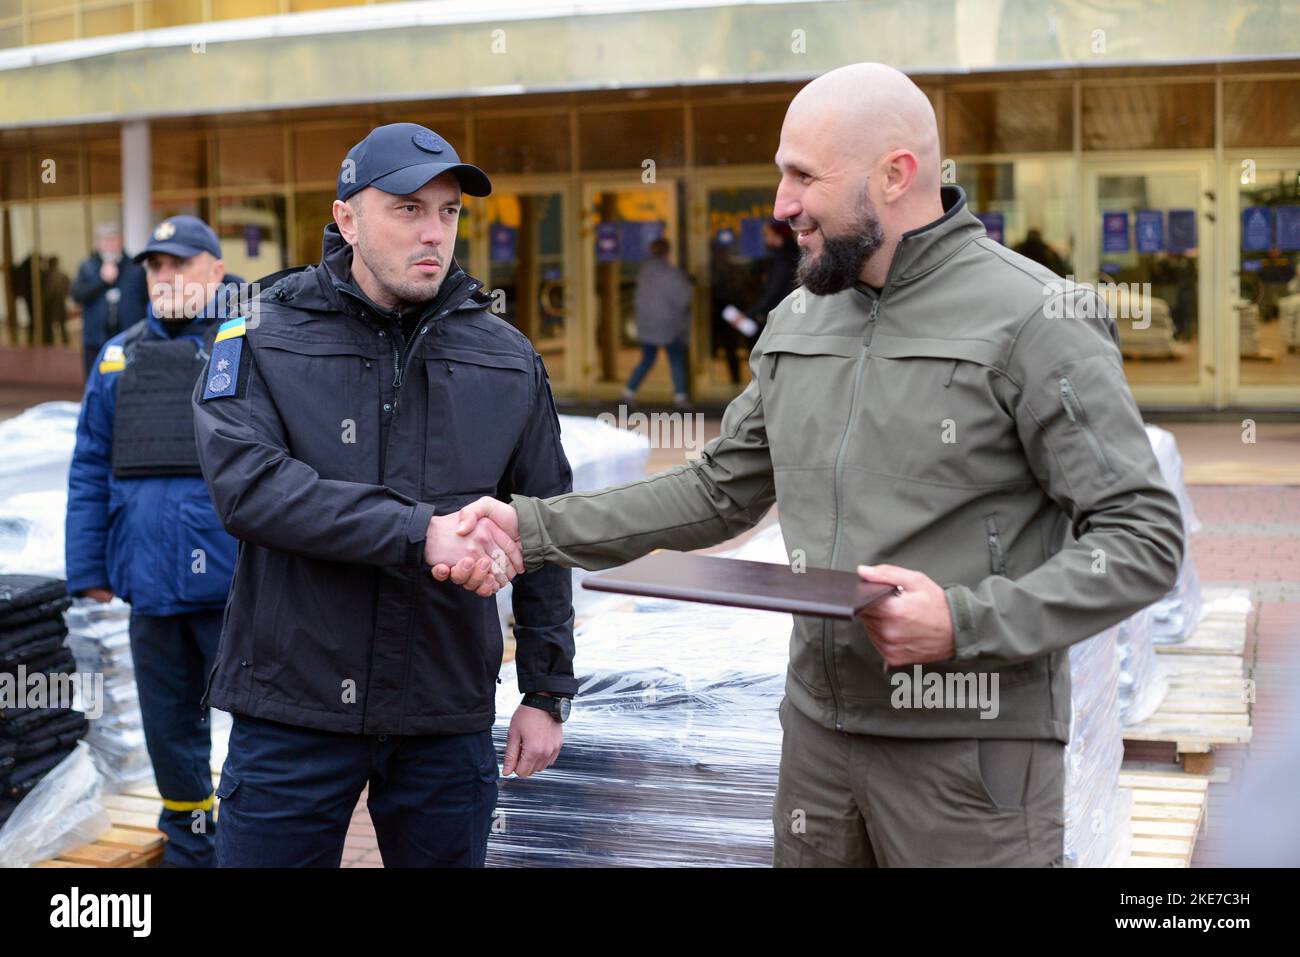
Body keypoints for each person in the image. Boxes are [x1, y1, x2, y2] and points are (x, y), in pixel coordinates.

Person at [437, 63, 1185, 867]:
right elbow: (719, 490)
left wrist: (966, 622)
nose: (781, 205)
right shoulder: (799, 317)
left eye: (802, 176)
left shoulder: (1034, 319)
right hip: (819, 746)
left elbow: (1142, 537)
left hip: (967, 753)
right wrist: (533, 524)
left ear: (895, 174)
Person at [191, 123, 576, 868]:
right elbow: (252, 489)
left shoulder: (505, 356)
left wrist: (546, 687)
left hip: (444, 713)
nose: (433, 232)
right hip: (291, 709)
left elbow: (546, 522)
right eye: (407, 209)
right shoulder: (260, 332)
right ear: (346, 218)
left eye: (449, 212)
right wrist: (420, 532)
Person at [65, 215, 242, 867]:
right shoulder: (120, 355)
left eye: (181, 263)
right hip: (150, 583)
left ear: (216, 271)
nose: (165, 277)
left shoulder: (252, 343)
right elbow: (90, 463)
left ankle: (253, 843)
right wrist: (89, 565)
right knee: (170, 735)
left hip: (236, 584)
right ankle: (193, 850)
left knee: (261, 730)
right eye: (155, 267)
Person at [621, 237, 692, 409]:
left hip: (648, 325)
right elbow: (684, 299)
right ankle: (680, 397)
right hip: (670, 326)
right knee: (675, 360)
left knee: (647, 359)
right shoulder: (673, 274)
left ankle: (628, 392)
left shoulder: (644, 273)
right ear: (667, 253)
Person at [71, 222, 149, 377]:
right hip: (96, 341)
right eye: (105, 240)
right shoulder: (87, 267)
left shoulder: (135, 268)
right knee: (98, 381)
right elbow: (77, 295)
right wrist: (101, 280)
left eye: (113, 240)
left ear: (121, 241)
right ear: (98, 243)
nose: (109, 245)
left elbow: (147, 301)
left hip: (129, 340)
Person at [723, 221, 799, 342]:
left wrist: (747, 315)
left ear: (778, 237)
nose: (764, 239)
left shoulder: (782, 262)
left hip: (782, 323)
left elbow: (772, 295)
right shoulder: (789, 258)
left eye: (767, 234)